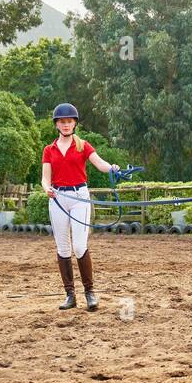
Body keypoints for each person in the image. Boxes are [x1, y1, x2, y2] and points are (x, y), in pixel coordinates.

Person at [42, 103, 119, 310]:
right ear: (57, 124)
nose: (66, 125)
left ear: (74, 123)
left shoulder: (83, 145)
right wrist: (47, 189)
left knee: (79, 245)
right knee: (63, 247)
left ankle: (89, 292)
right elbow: (45, 178)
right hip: (58, 197)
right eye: (62, 122)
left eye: (69, 121)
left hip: (79, 197)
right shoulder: (49, 150)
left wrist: (111, 168)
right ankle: (70, 295)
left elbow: (99, 163)